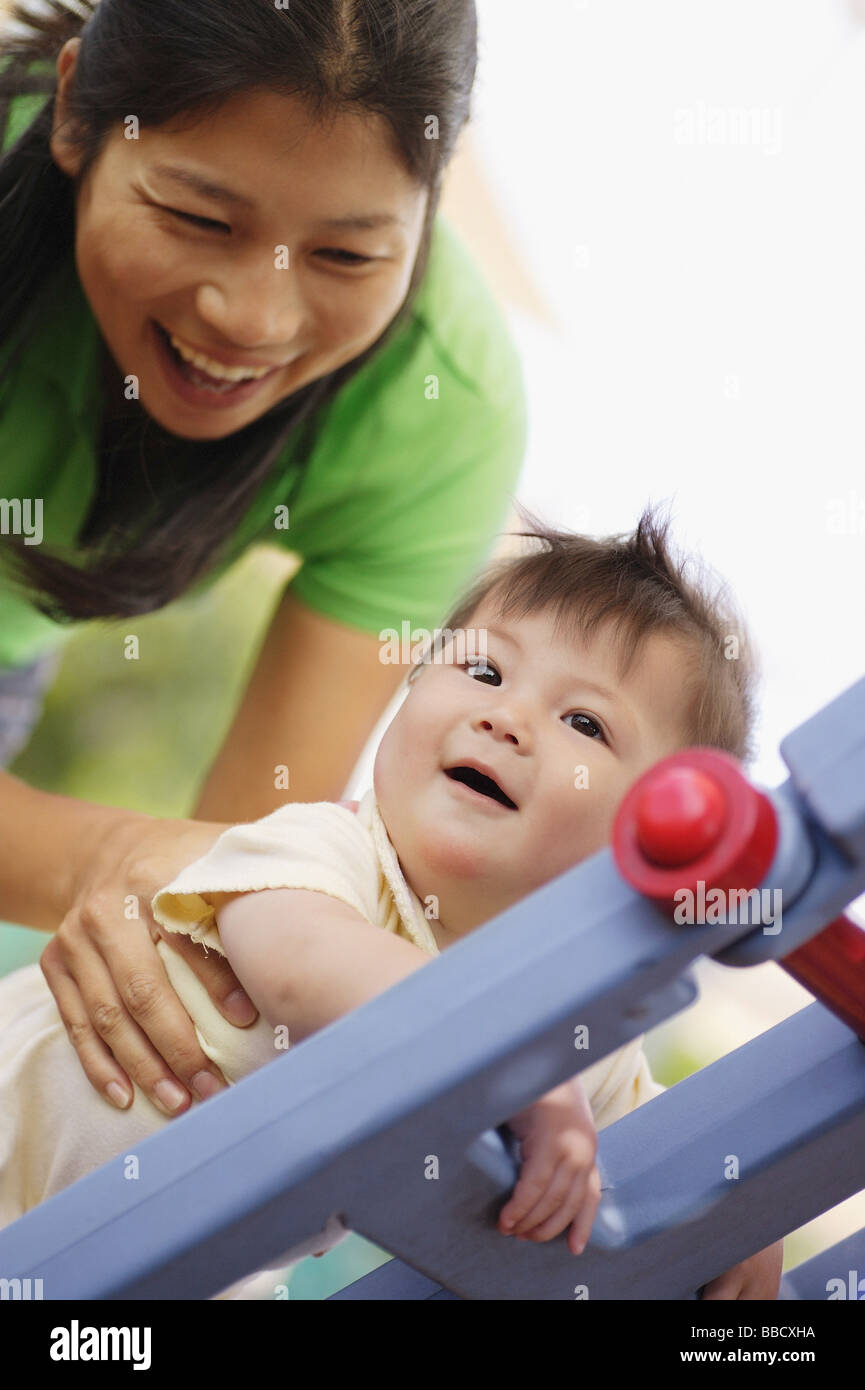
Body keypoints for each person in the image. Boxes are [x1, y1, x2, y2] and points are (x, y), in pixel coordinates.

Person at [0, 505, 785, 1299]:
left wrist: (734, 1220)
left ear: (644, 845)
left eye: (583, 721)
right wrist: (512, 1066)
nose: (505, 717)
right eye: (483, 671)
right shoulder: (322, 849)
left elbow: (650, 1155)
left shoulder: (580, 1034)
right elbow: (305, 969)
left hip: (162, 1269)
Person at [0, 0, 527, 1121]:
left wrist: (181, 889)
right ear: (77, 111)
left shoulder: (442, 409)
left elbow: (222, 883)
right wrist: (106, 852)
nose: (249, 316)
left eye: (347, 251)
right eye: (195, 215)